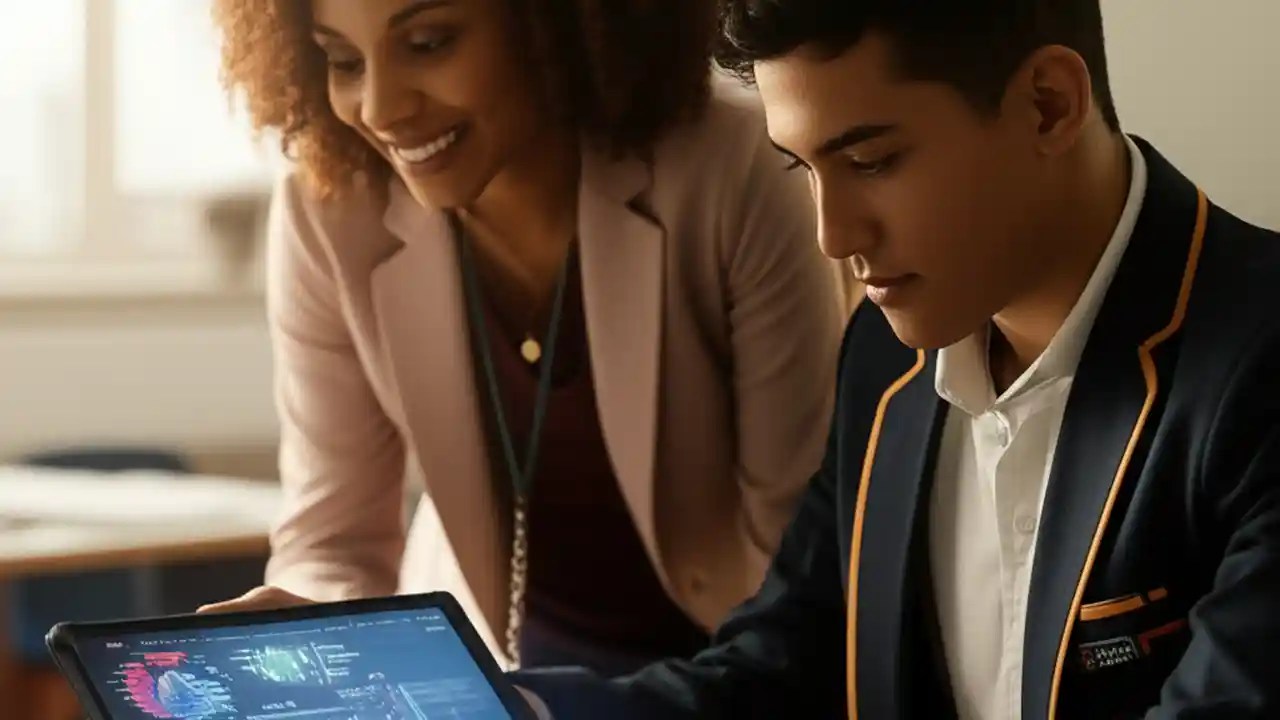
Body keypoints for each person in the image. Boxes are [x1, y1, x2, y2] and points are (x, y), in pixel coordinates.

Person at [512, 1, 1280, 718]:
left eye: (871, 161)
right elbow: (786, 660)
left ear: (1048, 104)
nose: (833, 237)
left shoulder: (1259, 367)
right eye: (802, 168)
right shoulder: (885, 354)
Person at [200, 0, 853, 678]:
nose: (380, 108)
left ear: (552, 23)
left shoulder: (741, 168)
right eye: (343, 61)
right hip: (491, 676)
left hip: (725, 676)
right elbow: (334, 543)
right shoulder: (330, 210)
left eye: (428, 43)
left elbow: (792, 561)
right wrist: (307, 631)